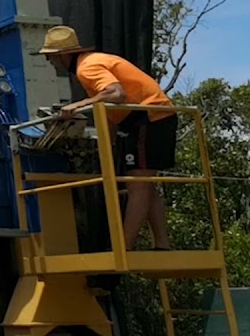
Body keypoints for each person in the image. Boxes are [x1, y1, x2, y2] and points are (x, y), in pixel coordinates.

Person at [38, 25, 175, 251]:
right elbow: (112, 112)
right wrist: (109, 149)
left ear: (62, 55)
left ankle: (124, 248)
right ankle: (162, 243)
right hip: (149, 117)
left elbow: (116, 94)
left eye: (51, 58)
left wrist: (76, 106)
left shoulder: (87, 68)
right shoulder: (92, 62)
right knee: (145, 183)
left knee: (138, 184)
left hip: (148, 116)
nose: (50, 63)